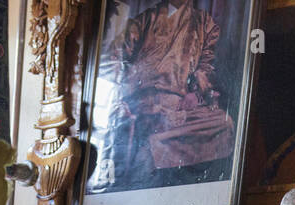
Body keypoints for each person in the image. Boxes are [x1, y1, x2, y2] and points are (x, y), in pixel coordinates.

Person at [90, 0, 234, 191]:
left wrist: (198, 93)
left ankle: (156, 152)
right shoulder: (144, 20)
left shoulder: (204, 24)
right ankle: (151, 154)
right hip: (141, 100)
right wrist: (124, 93)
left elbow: (205, 68)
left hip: (180, 104)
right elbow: (113, 62)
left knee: (225, 123)